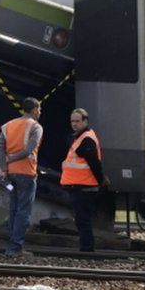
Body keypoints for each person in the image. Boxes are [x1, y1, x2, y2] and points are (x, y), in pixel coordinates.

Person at [0, 97, 43, 257]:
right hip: (27, 174)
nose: (40, 112)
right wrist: (11, 159)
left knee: (13, 210)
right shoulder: (36, 127)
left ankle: (10, 247)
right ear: (35, 109)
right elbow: (29, 150)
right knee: (23, 211)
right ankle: (15, 248)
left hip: (10, 174)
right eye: (39, 109)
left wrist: (3, 167)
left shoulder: (9, 125)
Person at [60, 108, 108, 252]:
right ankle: (86, 247)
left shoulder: (86, 139)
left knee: (83, 219)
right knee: (82, 219)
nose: (74, 124)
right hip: (80, 185)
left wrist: (101, 181)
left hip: (84, 186)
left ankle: (86, 248)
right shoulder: (80, 137)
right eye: (72, 121)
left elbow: (94, 163)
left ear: (85, 121)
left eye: (77, 121)